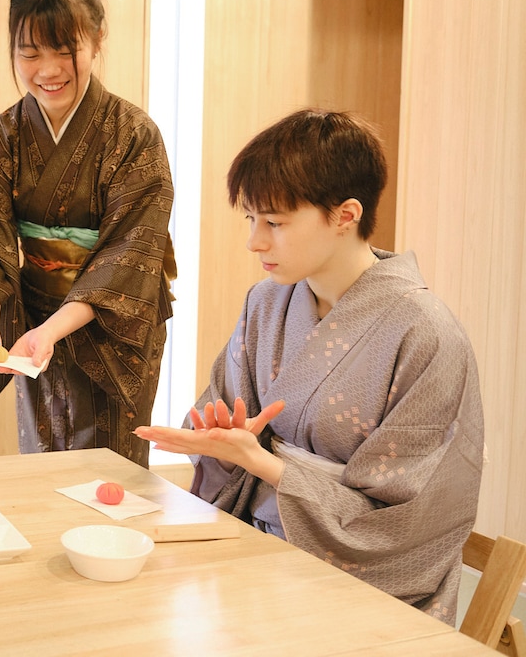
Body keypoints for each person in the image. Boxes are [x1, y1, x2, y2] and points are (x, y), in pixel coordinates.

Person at [135, 109, 484, 623]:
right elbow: (228, 428)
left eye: (274, 223)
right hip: (252, 551)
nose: (255, 241)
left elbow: (407, 523)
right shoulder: (266, 303)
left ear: (345, 216)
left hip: (363, 593)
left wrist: (263, 462)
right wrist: (226, 447)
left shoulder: (426, 334)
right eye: (251, 220)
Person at [0, 0, 176, 467]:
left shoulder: (133, 135)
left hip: (113, 328)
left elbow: (131, 254)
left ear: (96, 39)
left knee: (109, 472)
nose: (47, 69)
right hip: (35, 319)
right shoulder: (1, 137)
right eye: (30, 53)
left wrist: (51, 331)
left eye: (64, 49)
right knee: (42, 463)